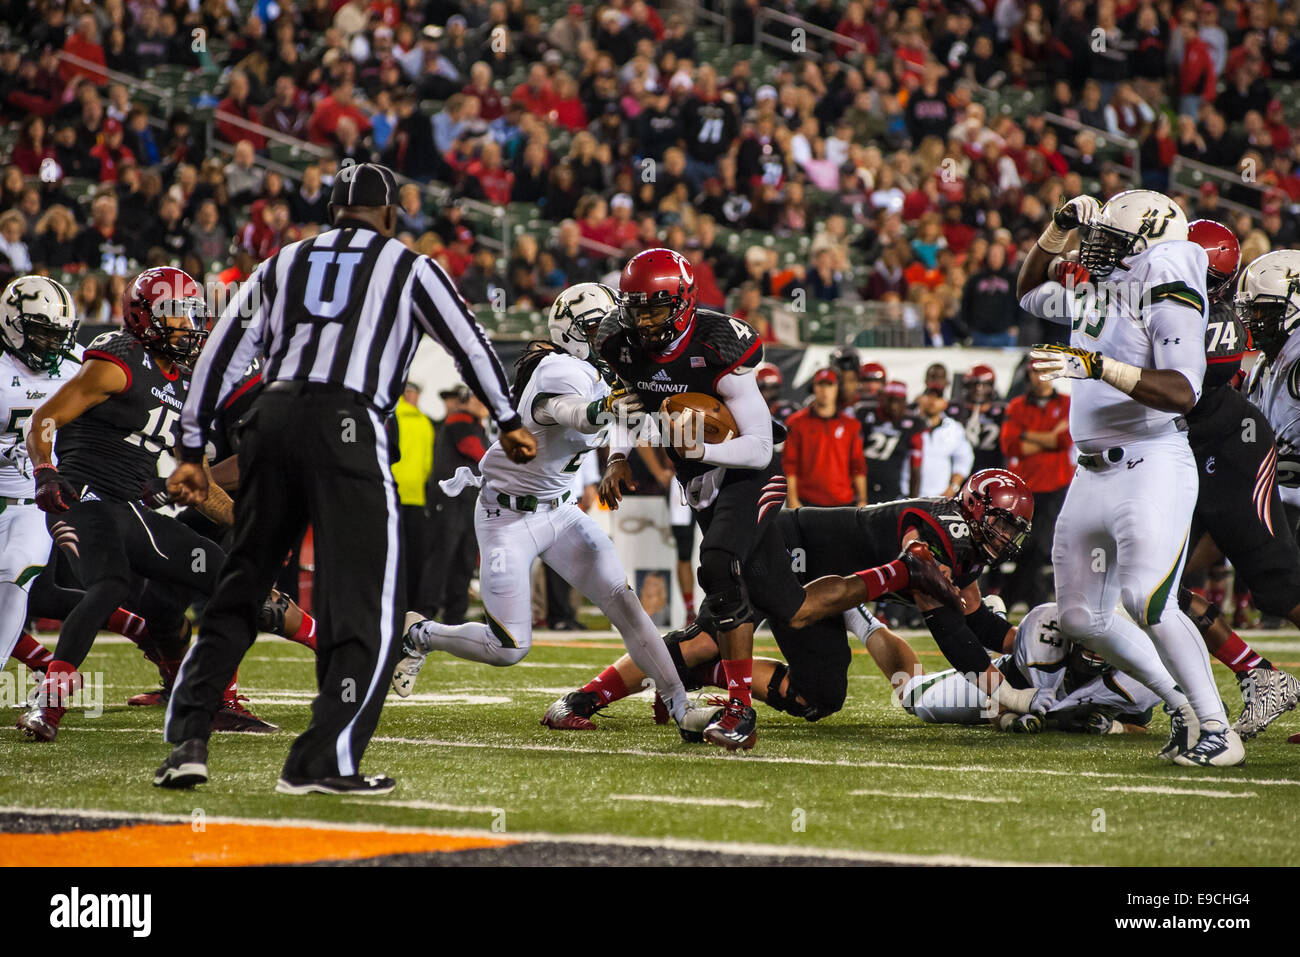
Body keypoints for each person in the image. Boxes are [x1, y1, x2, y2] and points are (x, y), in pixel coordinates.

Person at [156, 163, 535, 794]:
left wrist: (192, 448)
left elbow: (223, 349)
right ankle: (321, 759)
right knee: (368, 603)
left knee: (242, 581)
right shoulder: (408, 265)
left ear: (334, 211)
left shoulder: (282, 261)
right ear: (389, 215)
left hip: (272, 418)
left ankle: (190, 739)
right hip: (349, 423)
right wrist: (507, 417)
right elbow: (469, 343)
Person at [590, 249, 958, 750]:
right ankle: (596, 696)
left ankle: (739, 710)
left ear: (681, 303)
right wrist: (617, 457)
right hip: (703, 486)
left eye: (654, 308)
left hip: (749, 475)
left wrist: (702, 446)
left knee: (720, 567)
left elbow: (762, 446)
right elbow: (625, 405)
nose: (643, 320)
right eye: (635, 308)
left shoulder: (719, 343)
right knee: (785, 606)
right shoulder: (622, 343)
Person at [393, 282, 704, 740]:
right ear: (576, 333)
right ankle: (420, 635)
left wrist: (619, 454)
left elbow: (622, 412)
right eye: (604, 325)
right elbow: (573, 411)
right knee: (508, 647)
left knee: (625, 601)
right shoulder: (559, 369)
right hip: (508, 517)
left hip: (559, 512)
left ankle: (682, 706)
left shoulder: (601, 366)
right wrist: (606, 408)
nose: (619, 331)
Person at [1018, 188, 1240, 767]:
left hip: (1150, 460)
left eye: (1112, 242)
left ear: (1148, 244)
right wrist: (1056, 227)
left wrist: (1096, 365)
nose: (1096, 250)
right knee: (1079, 617)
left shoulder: (1170, 284)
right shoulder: (1111, 285)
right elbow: (1028, 292)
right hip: (1090, 471)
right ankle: (1180, 707)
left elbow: (1181, 390)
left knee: (1147, 599)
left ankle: (1219, 728)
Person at [0, 277, 79, 674]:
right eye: (44, 334)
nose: (53, 345)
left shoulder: (77, 363)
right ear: (13, 324)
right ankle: (45, 667)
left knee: (15, 572)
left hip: (32, 499)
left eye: (58, 336)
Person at [999, 363, 1072, 610]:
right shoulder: (1017, 405)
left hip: (1055, 487)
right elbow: (1010, 445)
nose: (1040, 377)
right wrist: (1049, 437)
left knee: (1039, 546)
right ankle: (1032, 602)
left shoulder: (1067, 403)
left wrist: (1026, 434)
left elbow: (1065, 439)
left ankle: (1013, 600)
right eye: (1035, 371)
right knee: (1030, 547)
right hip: (1025, 488)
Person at [419, 383, 488, 624]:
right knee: (442, 556)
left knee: (465, 558)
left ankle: (455, 614)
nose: (484, 405)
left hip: (467, 500)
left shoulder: (475, 424)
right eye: (478, 400)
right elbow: (477, 452)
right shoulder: (459, 420)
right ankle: (425, 612)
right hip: (449, 500)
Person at [782, 368, 866, 507]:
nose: (824, 390)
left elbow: (858, 464)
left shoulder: (851, 425)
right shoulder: (796, 423)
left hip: (843, 502)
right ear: (813, 388)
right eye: (820, 385)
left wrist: (862, 499)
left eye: (830, 385)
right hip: (806, 502)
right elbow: (790, 464)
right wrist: (792, 499)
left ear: (837, 388)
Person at [391, 381, 434, 609]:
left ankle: (392, 603)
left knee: (391, 555)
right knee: (415, 557)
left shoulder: (389, 413)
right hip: (416, 497)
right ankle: (412, 607)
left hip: (391, 493)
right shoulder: (425, 422)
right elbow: (428, 463)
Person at [905, 383, 974, 497]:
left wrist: (953, 487)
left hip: (939, 498)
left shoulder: (954, 428)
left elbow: (964, 459)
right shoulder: (907, 423)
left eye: (938, 397)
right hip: (904, 496)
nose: (933, 401)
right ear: (920, 399)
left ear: (944, 403)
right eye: (929, 396)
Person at [861, 380, 924, 503]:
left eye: (898, 401)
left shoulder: (913, 424)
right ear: (882, 398)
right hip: (863, 487)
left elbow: (915, 468)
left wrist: (912, 502)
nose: (893, 405)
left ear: (905, 402)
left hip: (891, 491)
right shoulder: (864, 414)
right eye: (890, 400)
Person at [954, 364, 1006, 472]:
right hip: (959, 473)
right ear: (967, 386)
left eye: (984, 385)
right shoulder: (955, 411)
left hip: (990, 470)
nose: (979, 389)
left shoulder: (1002, 413)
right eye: (974, 384)